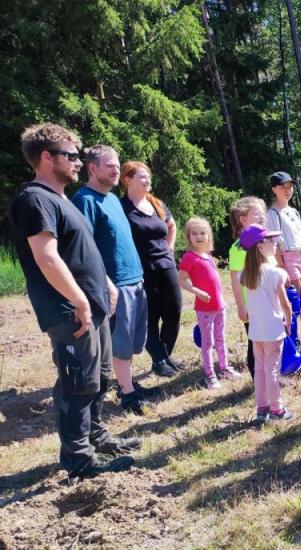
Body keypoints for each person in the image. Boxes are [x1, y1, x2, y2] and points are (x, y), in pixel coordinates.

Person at [9, 123, 139, 480]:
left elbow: (82, 251)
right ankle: (79, 459)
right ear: (46, 157)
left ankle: (96, 436)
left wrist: (107, 284)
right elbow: (47, 257)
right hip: (68, 310)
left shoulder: (62, 199)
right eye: (71, 156)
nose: (78, 162)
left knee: (98, 376)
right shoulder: (34, 199)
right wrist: (79, 301)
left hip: (91, 303)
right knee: (77, 382)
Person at [72, 145, 150, 415]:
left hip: (135, 279)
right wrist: (106, 284)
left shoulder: (114, 199)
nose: (116, 170)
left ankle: (127, 383)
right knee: (120, 343)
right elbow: (84, 249)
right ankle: (128, 394)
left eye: (117, 165)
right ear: (92, 168)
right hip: (115, 285)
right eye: (110, 166)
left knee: (132, 341)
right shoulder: (85, 200)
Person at [119, 161, 181, 378]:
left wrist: (169, 249)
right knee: (150, 315)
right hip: (142, 269)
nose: (148, 180)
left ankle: (165, 354)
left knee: (174, 311)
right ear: (128, 179)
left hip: (166, 265)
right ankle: (158, 359)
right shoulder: (122, 207)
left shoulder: (156, 204)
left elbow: (171, 225)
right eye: (143, 177)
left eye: (149, 177)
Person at [178, 216, 242, 389]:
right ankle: (210, 375)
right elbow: (181, 280)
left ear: (209, 236)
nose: (199, 236)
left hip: (219, 306)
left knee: (221, 338)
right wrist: (198, 292)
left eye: (202, 233)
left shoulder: (208, 256)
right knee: (208, 342)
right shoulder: (189, 257)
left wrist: (222, 300)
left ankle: (224, 368)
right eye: (194, 233)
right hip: (204, 308)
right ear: (188, 236)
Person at [239, 224, 294, 423]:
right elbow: (285, 304)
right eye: (271, 240)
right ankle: (277, 410)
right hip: (273, 330)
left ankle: (261, 409)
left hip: (256, 331)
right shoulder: (274, 273)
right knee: (272, 370)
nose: (275, 243)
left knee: (260, 369)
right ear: (260, 246)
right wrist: (289, 322)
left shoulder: (246, 274)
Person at [267, 171, 301, 356]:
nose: (288, 190)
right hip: (287, 258)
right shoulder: (272, 214)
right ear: (274, 189)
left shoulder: (293, 211)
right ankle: (292, 340)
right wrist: (282, 268)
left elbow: (300, 238)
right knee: (293, 301)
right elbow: (274, 244)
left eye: (290, 186)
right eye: (283, 187)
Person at [228, 196, 270, 380]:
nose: (263, 217)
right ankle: (258, 381)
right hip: (252, 306)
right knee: (256, 344)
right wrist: (241, 306)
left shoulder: (266, 242)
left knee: (269, 341)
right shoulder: (238, 248)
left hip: (268, 302)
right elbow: (235, 279)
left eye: (263, 213)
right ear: (243, 219)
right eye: (257, 214)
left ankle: (270, 377)